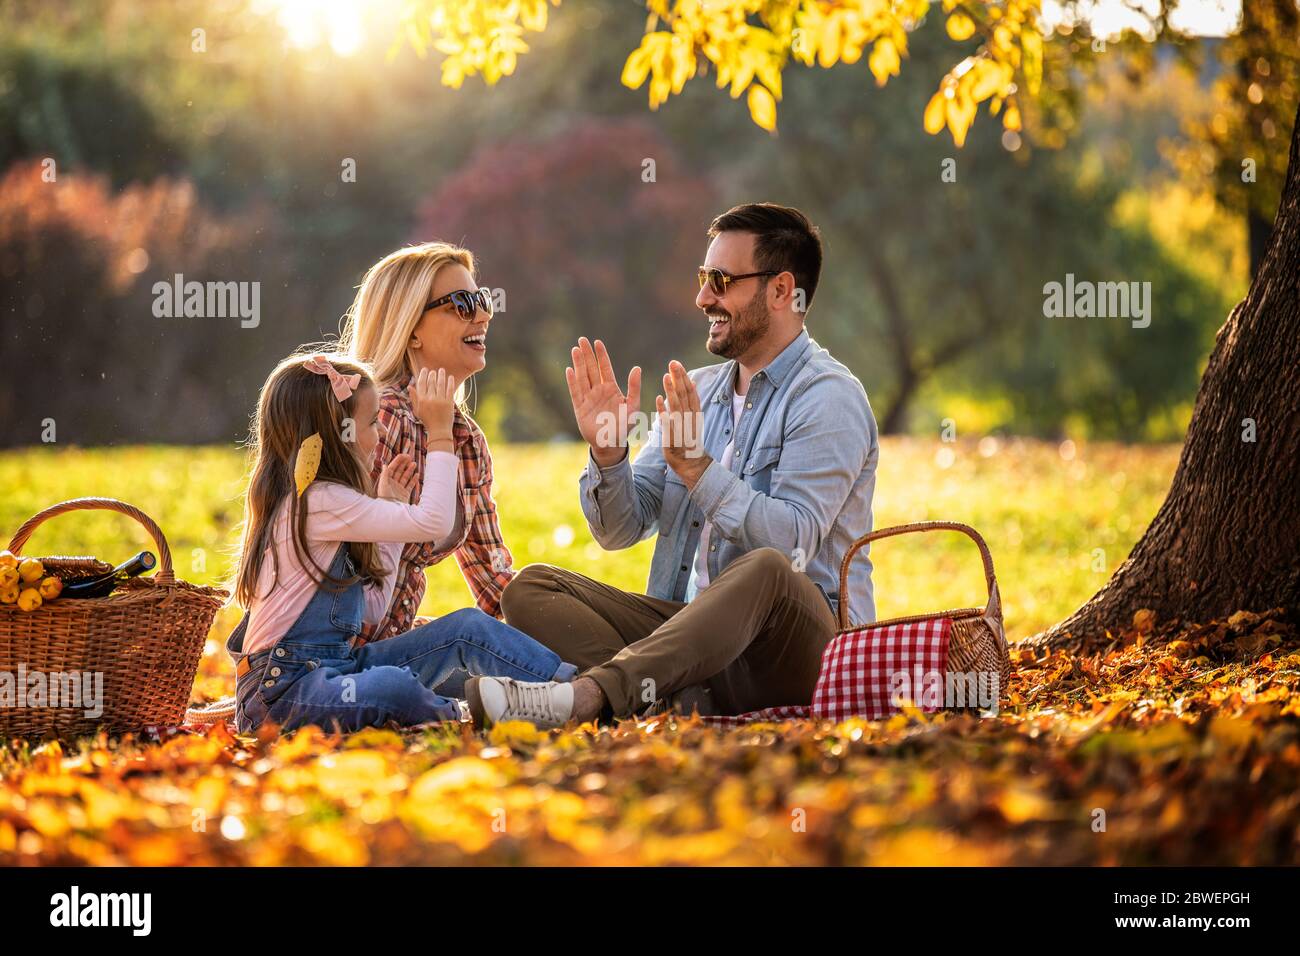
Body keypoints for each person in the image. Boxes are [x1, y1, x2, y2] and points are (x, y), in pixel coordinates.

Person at [501, 203, 879, 721]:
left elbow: (792, 544)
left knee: (765, 569)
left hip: (794, 648)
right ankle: (676, 700)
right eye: (703, 279)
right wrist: (609, 454)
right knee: (532, 589)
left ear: (780, 289)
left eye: (720, 280)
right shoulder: (697, 390)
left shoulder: (828, 396)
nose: (703, 298)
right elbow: (620, 531)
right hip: (692, 640)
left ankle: (592, 695)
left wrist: (700, 471)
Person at [225, 351, 578, 733]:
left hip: (337, 670)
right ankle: (462, 716)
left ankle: (574, 687)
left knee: (466, 628)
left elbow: (372, 610)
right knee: (392, 687)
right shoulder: (318, 501)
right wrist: (440, 433)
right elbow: (433, 521)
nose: (379, 435)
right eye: (372, 422)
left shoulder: (332, 504)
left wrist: (391, 512)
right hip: (281, 694)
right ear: (338, 432)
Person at [337, 242, 514, 647]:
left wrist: (562, 614)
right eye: (462, 304)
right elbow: (337, 565)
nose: (484, 314)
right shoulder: (375, 419)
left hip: (391, 643)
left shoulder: (467, 442)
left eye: (482, 300)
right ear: (412, 327)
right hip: (339, 655)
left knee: (493, 636)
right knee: (468, 634)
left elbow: (494, 580)